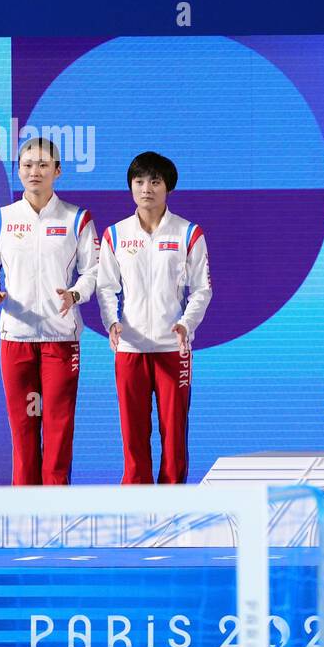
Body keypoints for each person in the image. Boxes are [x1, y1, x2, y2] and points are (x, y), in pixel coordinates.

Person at [0, 137, 98, 485]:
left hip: (61, 339)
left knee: (58, 428)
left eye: (43, 165)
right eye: (28, 165)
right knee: (23, 429)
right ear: (19, 171)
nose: (35, 171)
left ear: (57, 171)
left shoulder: (77, 219)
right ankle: (24, 509)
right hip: (16, 335)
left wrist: (76, 293)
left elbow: (93, 271)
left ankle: (56, 508)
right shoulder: (1, 218)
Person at [96, 151, 212, 485]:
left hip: (172, 348)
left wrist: (185, 324)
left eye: (155, 181)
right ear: (131, 186)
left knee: (174, 432)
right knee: (133, 434)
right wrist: (112, 322)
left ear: (168, 187)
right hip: (130, 349)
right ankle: (137, 502)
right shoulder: (115, 234)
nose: (147, 188)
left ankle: (173, 501)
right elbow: (105, 287)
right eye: (140, 181)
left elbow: (202, 289)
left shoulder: (188, 233)